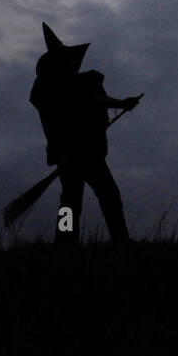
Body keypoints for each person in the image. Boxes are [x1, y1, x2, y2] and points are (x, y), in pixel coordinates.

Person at [30, 23, 140, 245]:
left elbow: (93, 103)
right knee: (105, 196)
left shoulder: (51, 94)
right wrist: (122, 103)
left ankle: (67, 243)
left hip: (72, 154)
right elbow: (96, 100)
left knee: (73, 202)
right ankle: (118, 240)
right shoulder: (64, 90)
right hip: (82, 154)